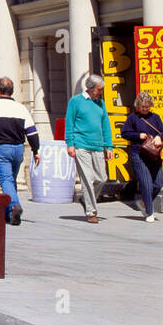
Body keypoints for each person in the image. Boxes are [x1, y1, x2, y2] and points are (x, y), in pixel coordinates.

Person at [0, 76, 40, 226]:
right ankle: (7, 214)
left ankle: (14, 206)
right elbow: (31, 131)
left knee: (6, 180)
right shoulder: (21, 108)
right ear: (12, 91)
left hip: (1, 148)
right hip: (18, 149)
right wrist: (36, 150)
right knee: (10, 180)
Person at [66, 73, 113, 224]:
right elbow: (69, 123)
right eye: (99, 89)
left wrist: (109, 146)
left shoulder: (101, 103)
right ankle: (91, 212)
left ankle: (86, 200)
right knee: (87, 179)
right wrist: (70, 144)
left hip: (98, 146)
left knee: (102, 178)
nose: (101, 92)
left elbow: (105, 125)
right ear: (90, 88)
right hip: (81, 145)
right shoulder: (76, 101)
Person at [121, 91, 163, 223]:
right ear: (138, 106)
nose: (145, 109)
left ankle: (144, 202)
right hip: (139, 154)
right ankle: (149, 212)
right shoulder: (132, 118)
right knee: (146, 184)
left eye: (147, 106)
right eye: (142, 106)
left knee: (158, 183)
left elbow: (162, 131)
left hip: (153, 155)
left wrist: (159, 137)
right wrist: (138, 135)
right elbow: (124, 133)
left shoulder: (155, 117)